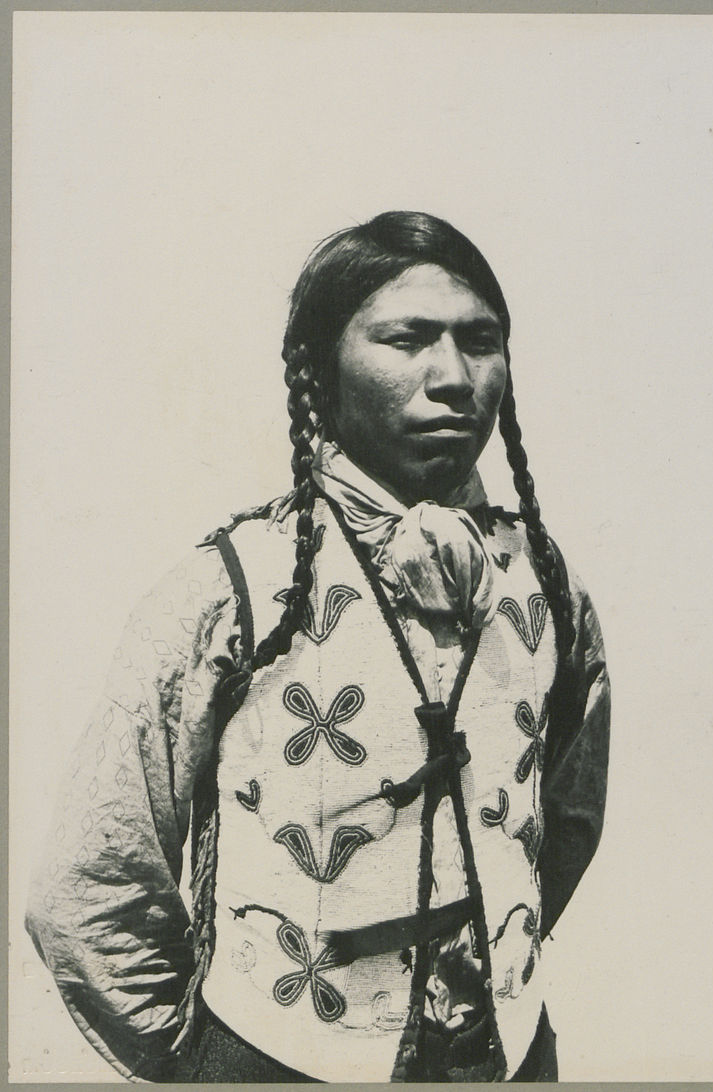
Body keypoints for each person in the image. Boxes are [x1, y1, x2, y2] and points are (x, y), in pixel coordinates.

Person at [26, 211, 610, 1082]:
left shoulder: (547, 586)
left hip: (509, 1056)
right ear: (322, 368)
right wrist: (207, 1064)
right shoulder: (234, 590)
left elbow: (565, 813)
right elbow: (89, 884)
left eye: (479, 341)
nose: (452, 377)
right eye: (407, 339)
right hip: (277, 1056)